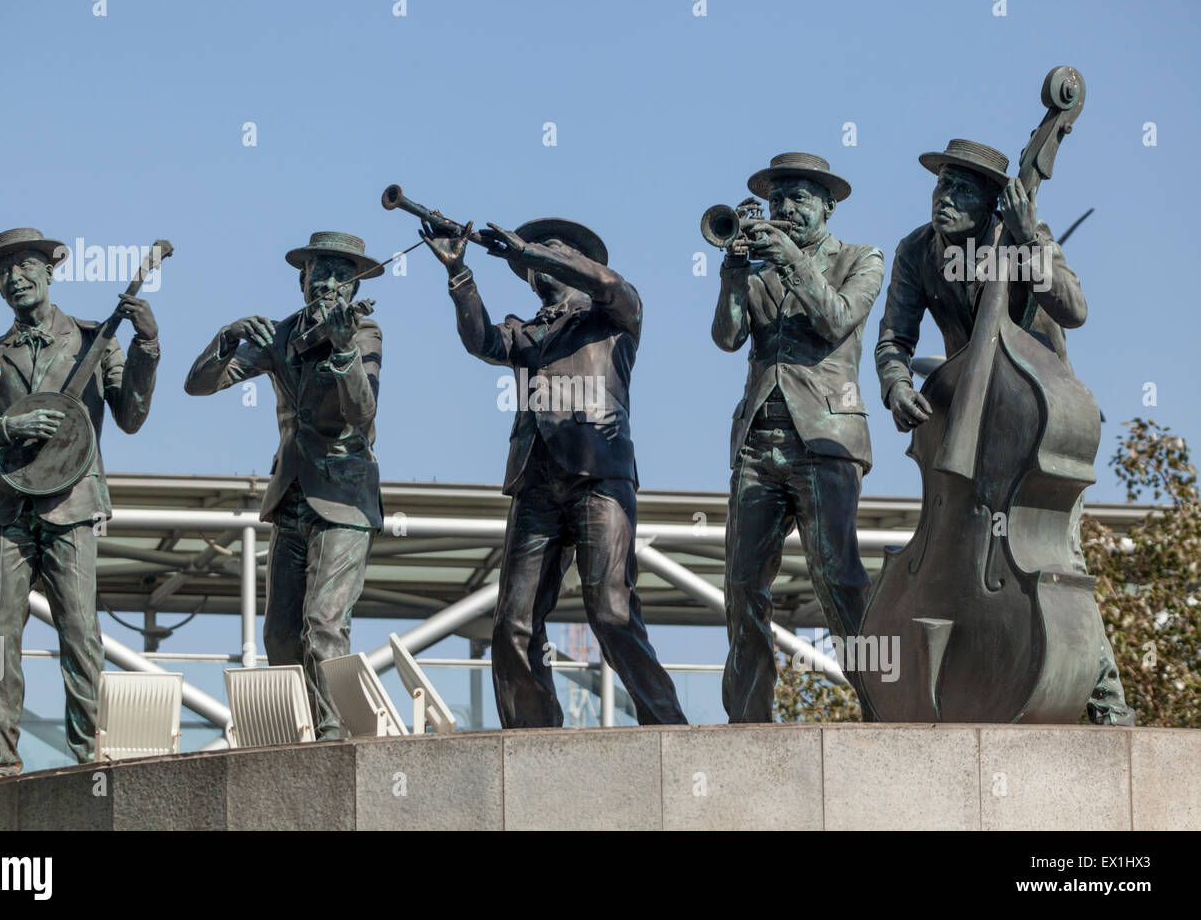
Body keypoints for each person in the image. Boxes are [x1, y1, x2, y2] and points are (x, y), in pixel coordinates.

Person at [874, 138, 1133, 725]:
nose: (945, 198)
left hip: (1032, 421)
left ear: (994, 202)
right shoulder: (916, 251)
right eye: (942, 185)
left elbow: (1074, 309)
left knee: (1057, 556)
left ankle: (1103, 700)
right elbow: (895, 340)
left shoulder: (1019, 241)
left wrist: (1031, 232)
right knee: (955, 545)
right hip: (964, 416)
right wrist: (895, 385)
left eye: (963, 190)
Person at [420, 215, 687, 727]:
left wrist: (529, 249)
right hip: (535, 479)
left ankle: (668, 726)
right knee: (512, 624)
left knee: (610, 612)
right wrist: (460, 275)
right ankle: (531, 736)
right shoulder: (527, 330)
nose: (538, 260)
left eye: (551, 252)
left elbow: (607, 282)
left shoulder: (612, 313)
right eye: (534, 256)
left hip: (598, 474)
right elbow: (480, 341)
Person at [0, 227, 160, 777]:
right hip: (4, 508)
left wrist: (147, 348)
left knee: (81, 633)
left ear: (49, 270)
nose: (13, 278)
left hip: (71, 504)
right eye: (3, 271)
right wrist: (3, 425)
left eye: (24, 266)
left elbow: (131, 417)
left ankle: (90, 757)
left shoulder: (96, 340)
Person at [184, 231, 383, 738]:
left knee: (323, 624)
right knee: (279, 635)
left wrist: (343, 352)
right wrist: (225, 338)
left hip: (343, 499)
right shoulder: (283, 335)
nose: (331, 283)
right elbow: (200, 384)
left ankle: (337, 735)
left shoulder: (364, 333)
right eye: (321, 272)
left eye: (342, 274)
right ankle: (296, 737)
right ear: (303, 280)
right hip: (290, 494)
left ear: (355, 284)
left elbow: (362, 412)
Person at [712, 153, 884, 721]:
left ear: (828, 205)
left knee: (839, 579)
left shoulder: (862, 259)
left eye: (799, 198)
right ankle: (749, 720)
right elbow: (727, 337)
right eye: (777, 199)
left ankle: (884, 705)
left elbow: (837, 320)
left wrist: (790, 261)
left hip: (827, 442)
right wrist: (733, 273)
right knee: (742, 585)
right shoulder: (759, 270)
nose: (784, 209)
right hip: (758, 443)